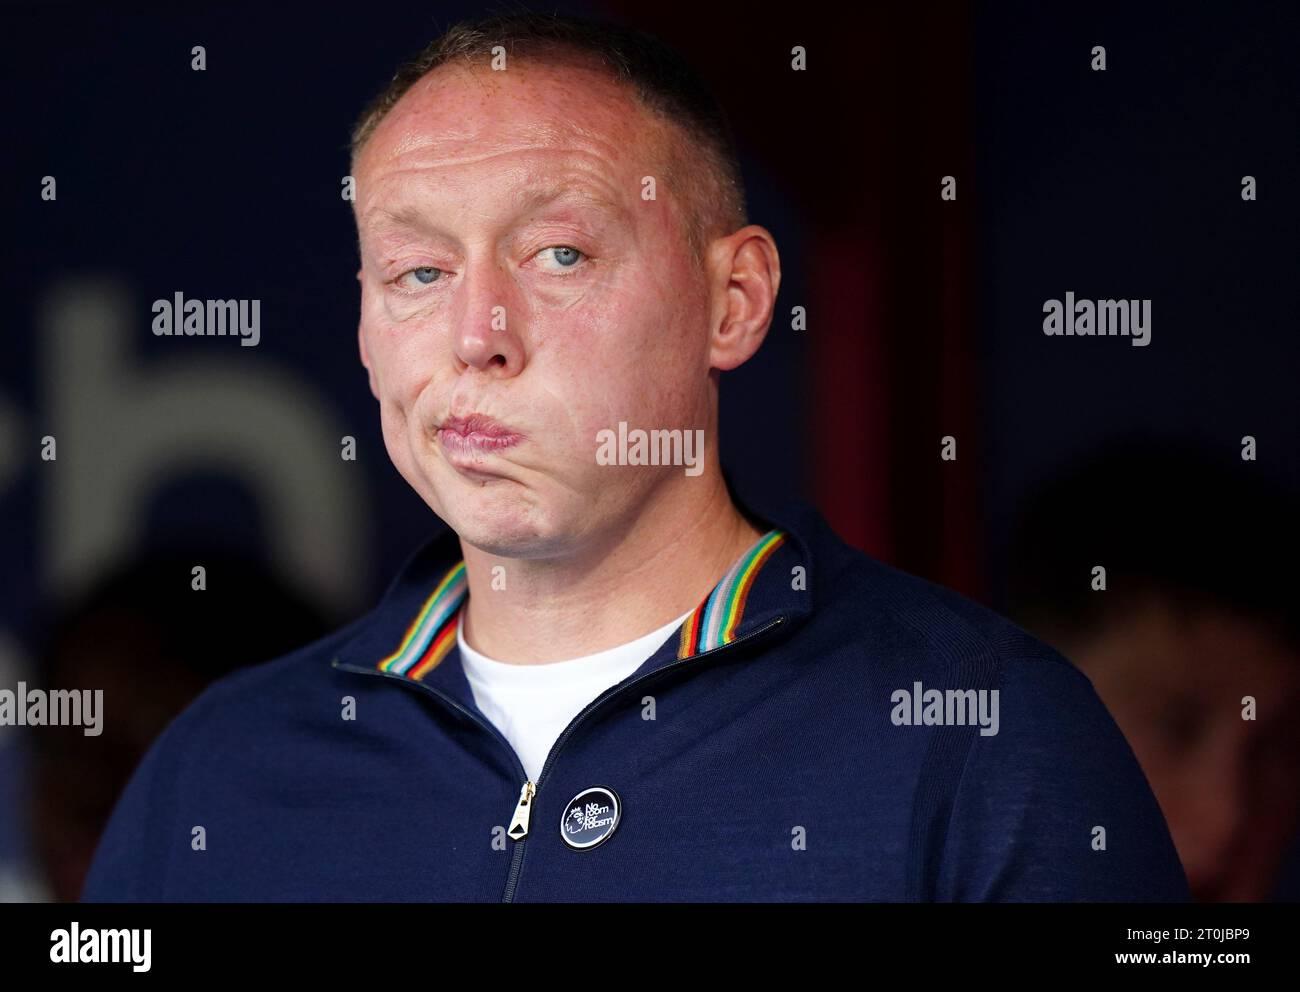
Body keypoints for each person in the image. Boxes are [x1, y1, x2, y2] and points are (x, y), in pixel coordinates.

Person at [81, 12, 1188, 902]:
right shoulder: (217, 769)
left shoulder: (985, 731)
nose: (478, 333)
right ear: (365, 324)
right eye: (417, 271)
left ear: (734, 299)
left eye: (559, 252)